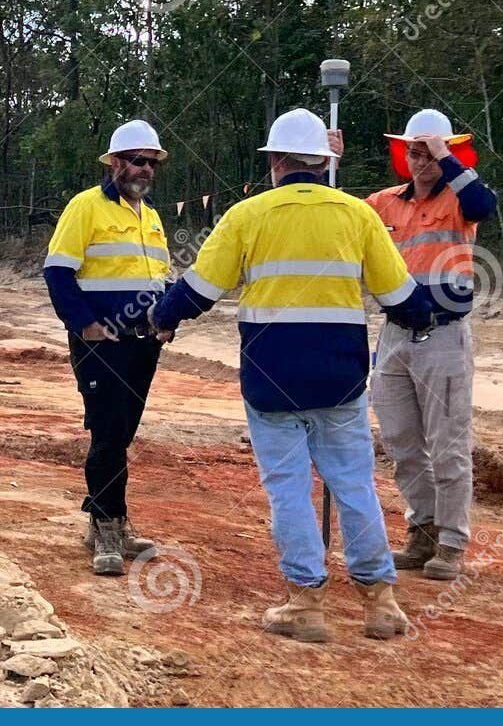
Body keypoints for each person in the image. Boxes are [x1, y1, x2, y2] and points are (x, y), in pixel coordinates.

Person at [151, 109, 434, 642]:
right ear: (325, 160)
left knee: (288, 489)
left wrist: (163, 319)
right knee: (354, 485)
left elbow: (198, 289)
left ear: (276, 161)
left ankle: (305, 602)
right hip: (341, 378)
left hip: (270, 376)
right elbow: (401, 298)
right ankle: (381, 603)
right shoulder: (358, 215)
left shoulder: (247, 216)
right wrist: (423, 318)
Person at [343, 110, 497, 582]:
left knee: (447, 447)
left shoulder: (459, 199)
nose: (419, 159)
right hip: (394, 335)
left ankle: (452, 542)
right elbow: (340, 219)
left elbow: (484, 203)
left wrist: (446, 156)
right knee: (402, 443)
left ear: (445, 153)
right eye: (413, 150)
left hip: (444, 336)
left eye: (427, 151)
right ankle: (423, 531)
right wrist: (328, 163)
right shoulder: (383, 203)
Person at [43, 119, 172, 576]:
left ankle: (112, 517)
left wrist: (166, 319)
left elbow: (159, 278)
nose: (146, 170)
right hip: (103, 345)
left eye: (152, 163)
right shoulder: (86, 207)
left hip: (143, 345)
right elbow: (58, 272)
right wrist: (86, 326)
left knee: (123, 433)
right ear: (115, 163)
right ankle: (104, 525)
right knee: (107, 432)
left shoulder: (151, 217)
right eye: (138, 161)